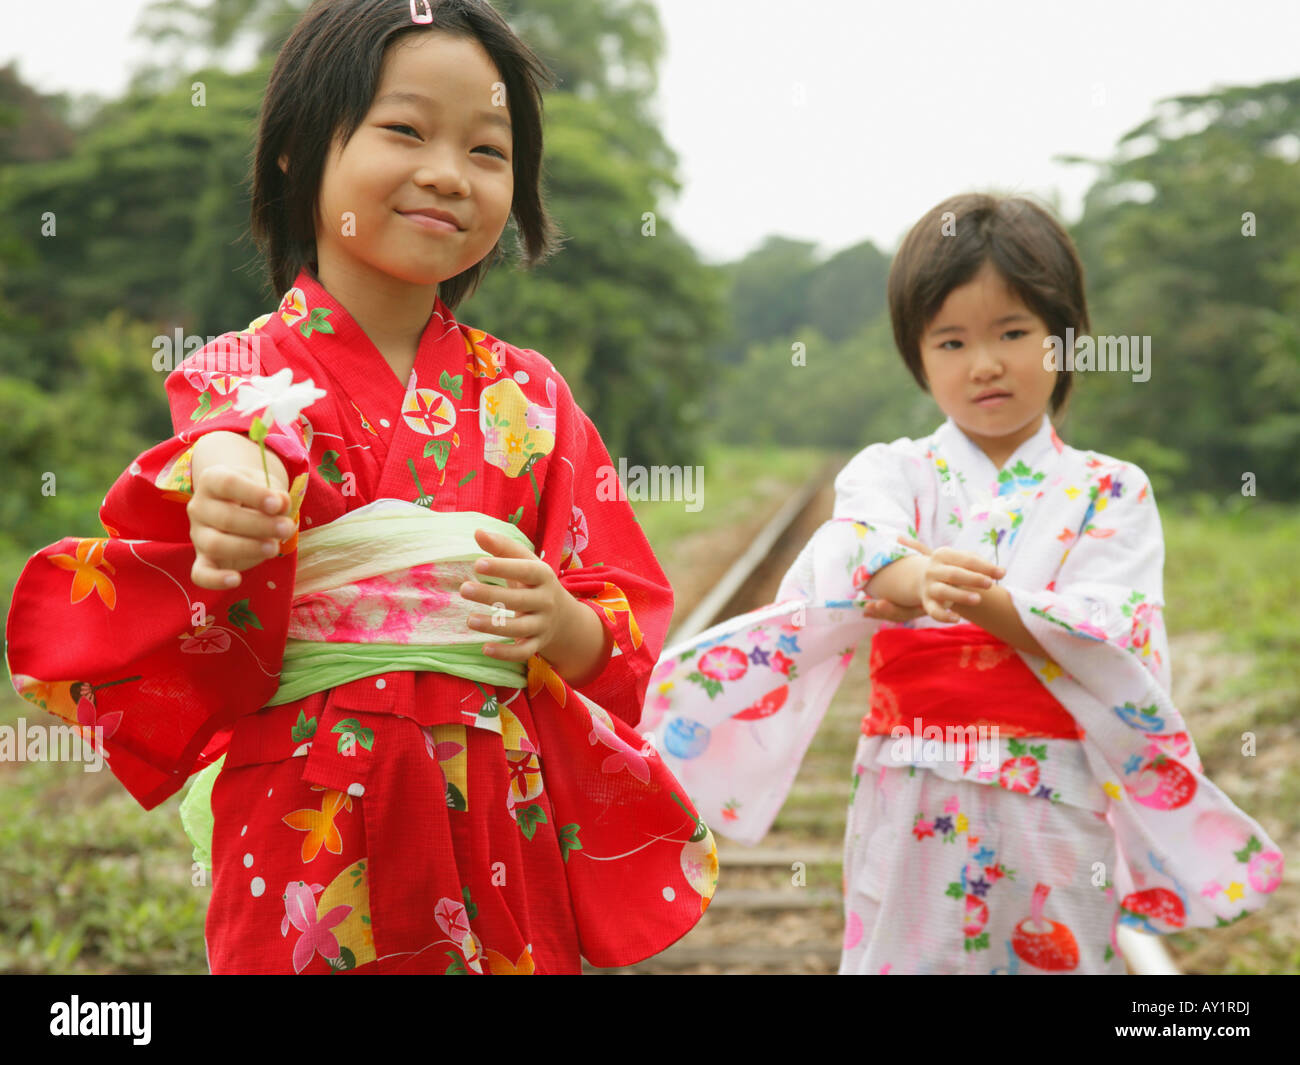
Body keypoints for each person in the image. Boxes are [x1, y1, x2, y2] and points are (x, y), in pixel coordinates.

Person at [6, 0, 716, 975]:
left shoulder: (533, 399)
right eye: (405, 129)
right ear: (300, 149)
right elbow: (227, 450)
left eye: (487, 150)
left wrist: (560, 623)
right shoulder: (241, 369)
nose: (446, 173)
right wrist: (227, 491)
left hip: (494, 812)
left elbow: (621, 641)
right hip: (303, 813)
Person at [643, 192, 1283, 975]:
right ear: (919, 355)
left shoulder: (1111, 490)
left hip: (1051, 796)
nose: (984, 363)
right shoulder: (893, 471)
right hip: (910, 786)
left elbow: (1117, 628)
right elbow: (846, 551)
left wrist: (968, 600)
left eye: (1013, 332)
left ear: (1063, 339)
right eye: (951, 341)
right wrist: (911, 575)